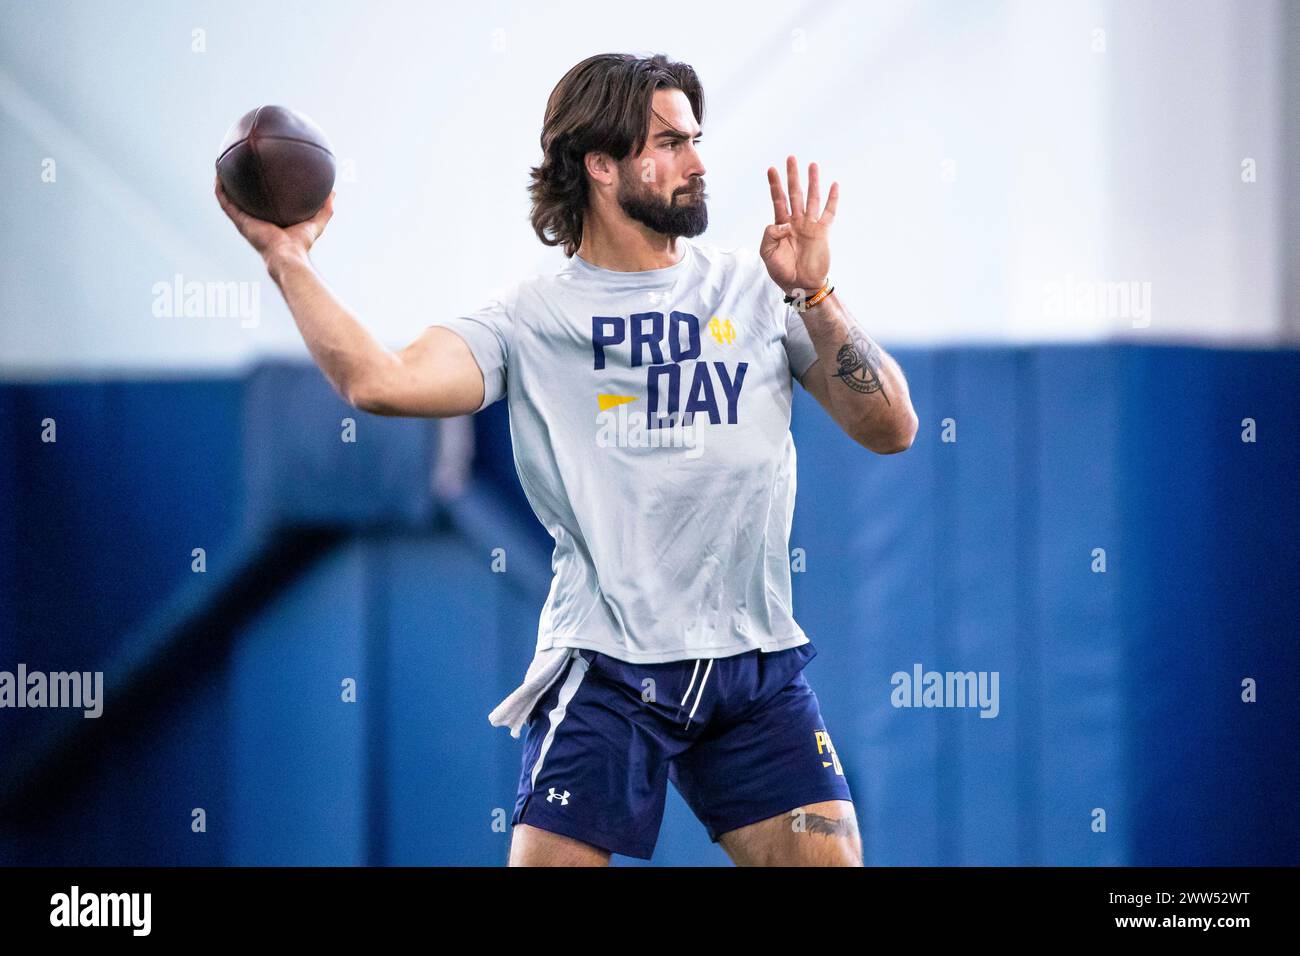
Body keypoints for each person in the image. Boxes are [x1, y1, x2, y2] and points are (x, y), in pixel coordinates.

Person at [215, 51, 918, 867]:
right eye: (669, 143)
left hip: (753, 667)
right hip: (611, 671)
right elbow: (380, 382)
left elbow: (891, 427)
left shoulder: (759, 288)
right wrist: (288, 259)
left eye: (696, 139)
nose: (697, 162)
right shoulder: (531, 319)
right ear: (600, 164)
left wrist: (816, 297)